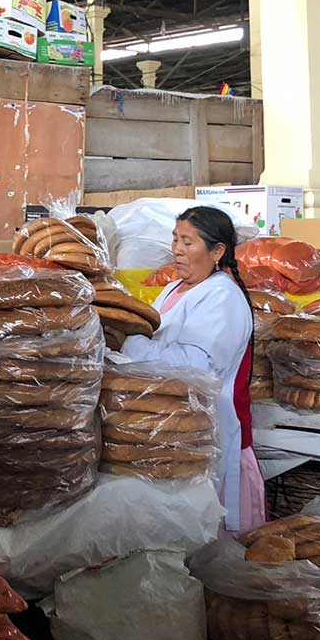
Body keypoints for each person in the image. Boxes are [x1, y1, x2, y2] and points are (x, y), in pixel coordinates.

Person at [117, 205, 265, 531]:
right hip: (173, 426)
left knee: (213, 532)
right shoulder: (174, 288)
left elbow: (197, 366)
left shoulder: (222, 296)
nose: (177, 251)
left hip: (210, 429)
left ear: (217, 251)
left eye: (188, 242)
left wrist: (127, 346)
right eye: (174, 240)